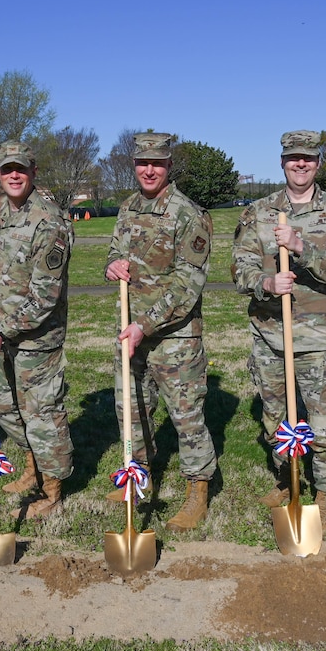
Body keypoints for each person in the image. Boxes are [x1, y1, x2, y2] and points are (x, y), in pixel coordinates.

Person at [231, 131, 326, 531]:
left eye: (308, 158)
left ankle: (324, 492)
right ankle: (287, 480)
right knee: (276, 419)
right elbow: (239, 266)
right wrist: (265, 284)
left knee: (325, 425)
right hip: (272, 334)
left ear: (318, 163)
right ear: (282, 162)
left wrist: (302, 247)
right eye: (293, 158)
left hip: (321, 338)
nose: (300, 164)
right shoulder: (259, 211)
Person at [105, 131, 216, 532]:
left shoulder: (189, 214)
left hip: (175, 338)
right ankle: (138, 477)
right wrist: (112, 266)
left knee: (186, 418)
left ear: (169, 166)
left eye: (156, 163)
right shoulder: (128, 207)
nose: (148, 170)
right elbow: (116, 251)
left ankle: (197, 490)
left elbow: (187, 286)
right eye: (141, 163)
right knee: (132, 411)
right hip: (129, 332)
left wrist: (144, 325)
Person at [0, 141, 74, 519]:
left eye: (21, 169)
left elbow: (46, 298)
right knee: (5, 407)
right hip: (2, 329)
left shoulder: (49, 222)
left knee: (42, 413)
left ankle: (53, 491)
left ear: (33, 172)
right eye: (6, 170)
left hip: (36, 336)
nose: (13, 176)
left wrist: (4, 331)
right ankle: (33, 465)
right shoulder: (0, 209)